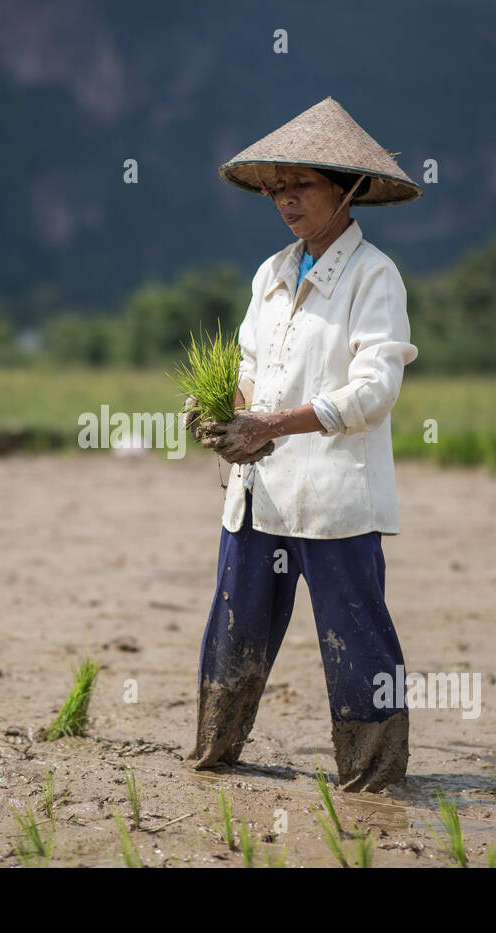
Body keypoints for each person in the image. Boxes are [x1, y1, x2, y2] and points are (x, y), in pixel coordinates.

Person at [183, 97, 422, 792]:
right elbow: (248, 377)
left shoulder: (374, 276)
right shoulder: (271, 274)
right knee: (234, 629)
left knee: (357, 640)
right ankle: (213, 760)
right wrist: (221, 413)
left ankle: (374, 780)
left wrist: (271, 425)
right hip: (258, 494)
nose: (285, 199)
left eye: (301, 185)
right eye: (275, 186)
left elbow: (374, 391)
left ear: (346, 190)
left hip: (335, 499)